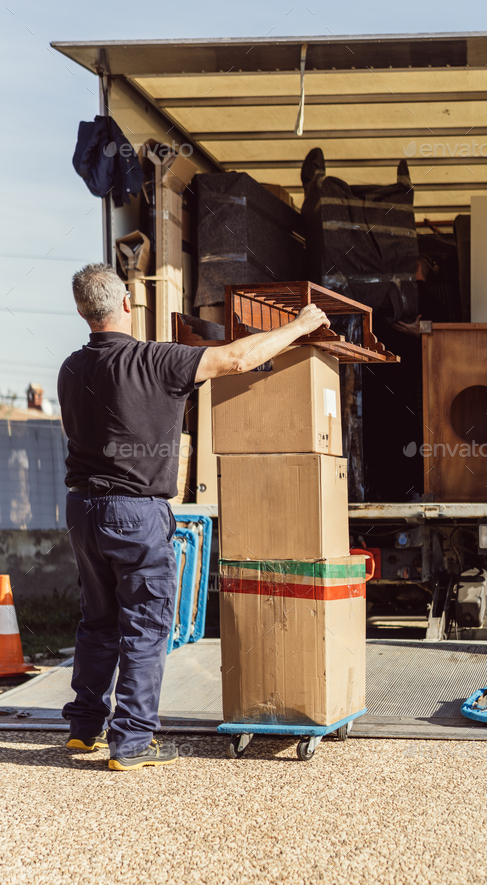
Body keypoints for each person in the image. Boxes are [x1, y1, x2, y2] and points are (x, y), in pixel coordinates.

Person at [58, 263, 329, 771]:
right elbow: (237, 358)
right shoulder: (155, 360)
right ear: (126, 304)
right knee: (145, 624)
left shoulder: (71, 368)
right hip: (135, 513)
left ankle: (84, 728)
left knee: (98, 621)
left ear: (81, 311)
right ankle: (132, 742)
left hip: (83, 509)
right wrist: (299, 326)